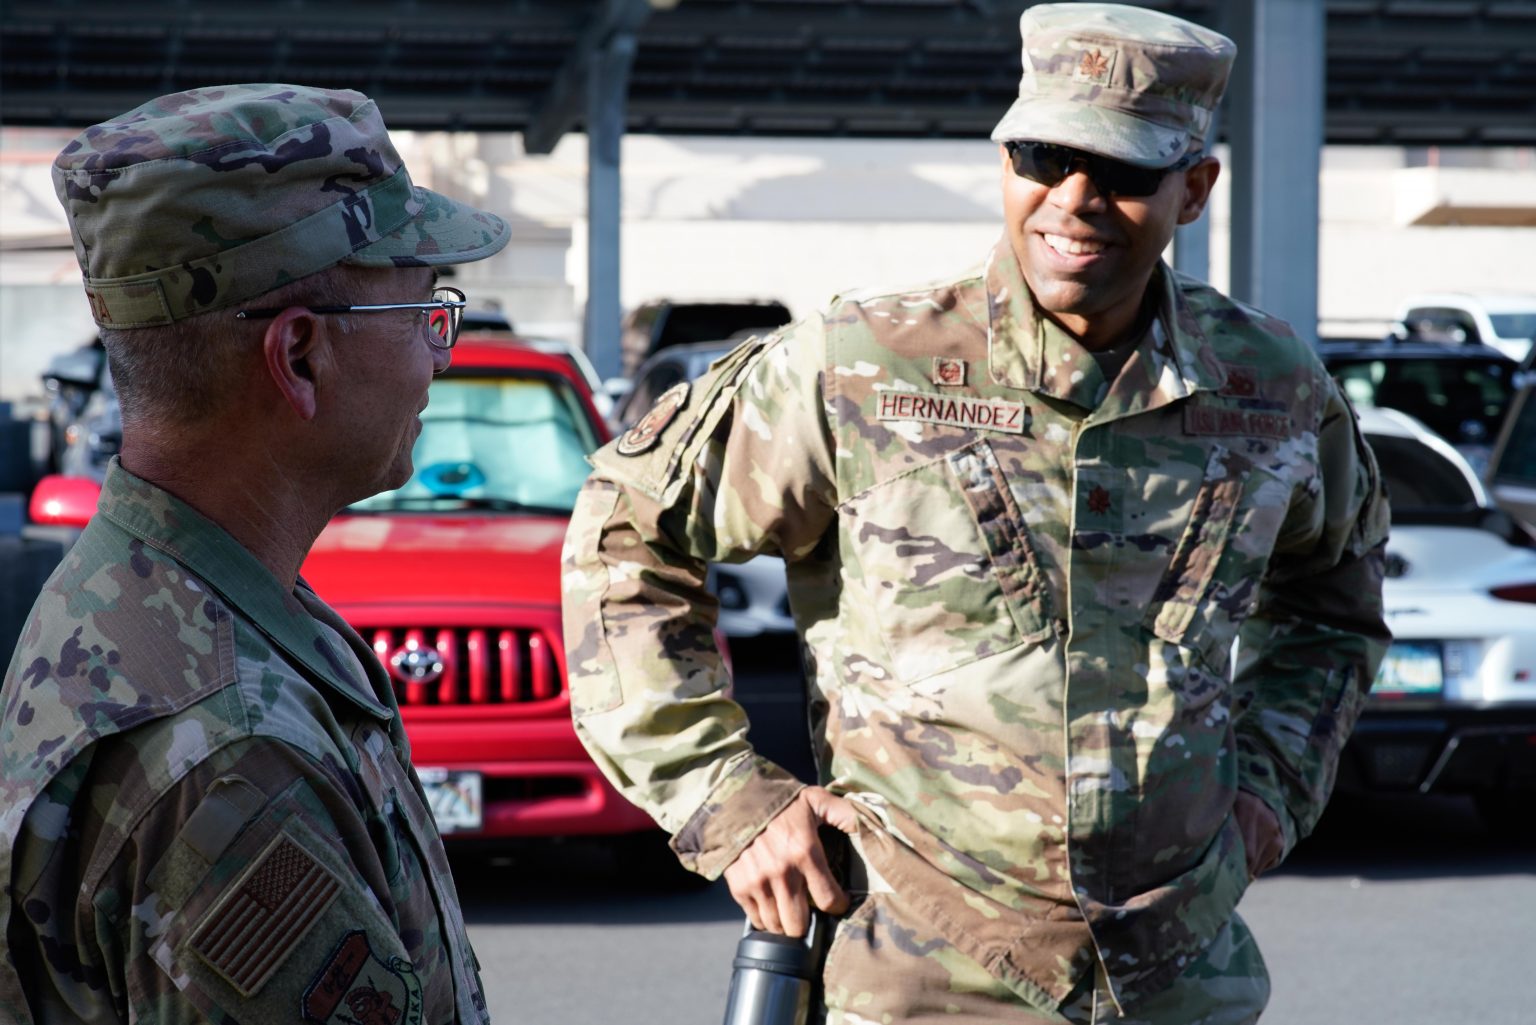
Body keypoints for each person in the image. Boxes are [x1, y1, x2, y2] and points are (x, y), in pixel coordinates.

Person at [562, 4, 1390, 1023]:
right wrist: (724, 795)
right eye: (1044, 157)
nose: (1074, 200)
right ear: (1004, 160)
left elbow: (1334, 598)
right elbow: (626, 532)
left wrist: (1268, 788)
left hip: (1178, 976)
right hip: (916, 976)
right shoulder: (862, 365)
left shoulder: (1269, 387)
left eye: (1125, 172)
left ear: (1195, 190)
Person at [0, 83, 509, 1024]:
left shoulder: (154, 598)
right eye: (425, 312)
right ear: (301, 356)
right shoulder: (231, 749)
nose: (438, 357)